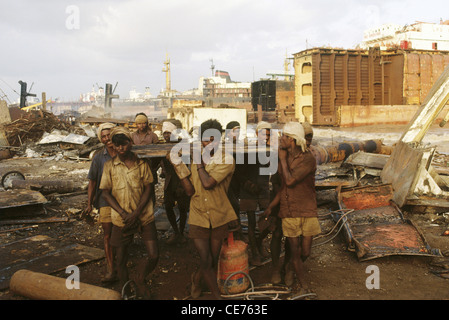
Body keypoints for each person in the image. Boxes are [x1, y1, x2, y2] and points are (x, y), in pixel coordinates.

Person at [168, 119, 238, 300]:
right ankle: (216, 296)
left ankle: (197, 280)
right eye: (205, 140)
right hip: (198, 213)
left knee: (212, 260)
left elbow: (207, 183)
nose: (209, 143)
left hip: (219, 214)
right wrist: (179, 167)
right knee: (206, 259)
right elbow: (191, 191)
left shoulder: (227, 159)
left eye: (213, 139)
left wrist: (198, 162)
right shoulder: (196, 158)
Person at [262, 121, 321, 295]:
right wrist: (270, 207)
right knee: (293, 250)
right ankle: (302, 284)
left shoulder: (308, 158)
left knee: (305, 251)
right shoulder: (283, 156)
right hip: (288, 209)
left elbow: (289, 181)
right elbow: (283, 187)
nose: (281, 138)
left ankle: (290, 267)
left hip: (307, 209)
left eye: (284, 136)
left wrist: (281, 159)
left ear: (292, 140)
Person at [100, 126, 159, 299]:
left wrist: (136, 212)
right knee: (120, 260)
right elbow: (105, 192)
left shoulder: (142, 164)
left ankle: (140, 279)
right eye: (117, 145)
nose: (120, 148)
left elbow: (149, 188)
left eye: (124, 144)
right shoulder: (109, 166)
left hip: (144, 216)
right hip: (120, 219)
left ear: (130, 143)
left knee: (154, 255)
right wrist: (123, 213)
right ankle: (127, 289)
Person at [83, 122, 117, 282]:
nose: (106, 138)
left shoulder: (124, 152)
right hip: (104, 201)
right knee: (108, 235)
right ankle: (111, 268)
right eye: (103, 136)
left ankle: (121, 262)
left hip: (124, 200)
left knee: (122, 233)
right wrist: (89, 204)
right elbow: (92, 182)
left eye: (109, 134)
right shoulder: (98, 158)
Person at [239, 121, 273, 266]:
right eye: (262, 133)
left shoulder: (270, 150)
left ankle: (259, 242)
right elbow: (239, 172)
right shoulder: (248, 150)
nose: (265, 136)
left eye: (267, 134)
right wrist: (248, 185)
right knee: (251, 223)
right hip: (249, 189)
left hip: (263, 189)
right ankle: (255, 252)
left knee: (270, 221)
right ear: (257, 134)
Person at [160, 121, 190, 245]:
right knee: (168, 206)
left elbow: (187, 164)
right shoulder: (161, 147)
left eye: (169, 132)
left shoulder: (182, 146)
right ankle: (176, 232)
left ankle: (181, 232)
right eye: (165, 133)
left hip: (181, 180)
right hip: (169, 181)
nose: (167, 135)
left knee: (183, 208)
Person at [131, 113, 159, 205]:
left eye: (143, 123)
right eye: (139, 123)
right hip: (136, 167)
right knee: (136, 189)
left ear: (147, 123)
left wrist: (155, 168)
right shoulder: (132, 136)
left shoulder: (153, 136)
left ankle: (151, 211)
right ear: (136, 124)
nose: (141, 126)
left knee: (150, 190)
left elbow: (159, 154)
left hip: (150, 167)